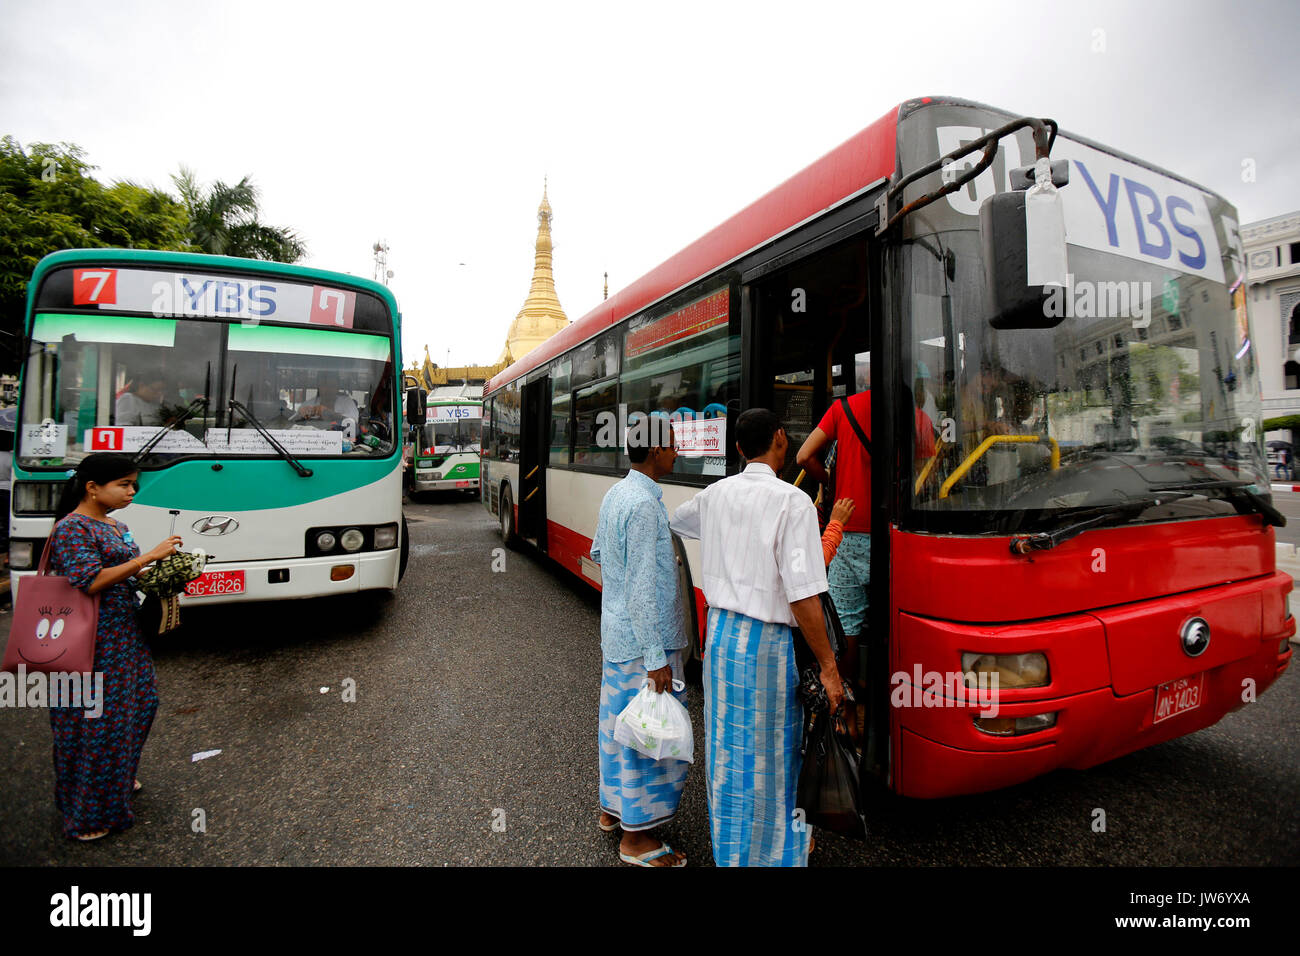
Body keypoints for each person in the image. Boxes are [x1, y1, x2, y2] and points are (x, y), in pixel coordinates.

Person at [670, 408, 843, 867]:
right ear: (781, 440)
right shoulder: (793, 502)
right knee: (773, 754)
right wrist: (829, 667)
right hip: (766, 646)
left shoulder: (715, 495)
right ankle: (774, 854)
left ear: (739, 450)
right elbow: (804, 596)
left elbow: (676, 521)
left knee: (728, 752)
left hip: (722, 641)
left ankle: (732, 852)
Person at [46, 454, 184, 840]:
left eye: (133, 484)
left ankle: (116, 779)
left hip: (124, 634)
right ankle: (89, 814)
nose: (131, 491)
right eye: (124, 484)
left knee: (140, 705)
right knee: (95, 723)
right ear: (92, 487)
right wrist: (147, 557)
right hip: (88, 639)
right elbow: (88, 580)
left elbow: (128, 570)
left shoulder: (115, 524)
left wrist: (167, 570)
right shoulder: (72, 529)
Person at [590, 414, 689, 867]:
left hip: (616, 637)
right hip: (643, 646)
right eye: (670, 444)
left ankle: (613, 811)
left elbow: (598, 552)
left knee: (618, 727)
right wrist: (656, 659)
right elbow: (644, 590)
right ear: (653, 451)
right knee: (648, 737)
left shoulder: (617, 493)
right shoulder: (646, 505)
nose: (676, 451)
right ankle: (639, 839)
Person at [796, 387, 935, 701]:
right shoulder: (917, 417)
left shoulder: (843, 409)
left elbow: (804, 456)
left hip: (848, 528)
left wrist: (833, 480)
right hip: (896, 534)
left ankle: (847, 709)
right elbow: (931, 471)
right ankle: (895, 698)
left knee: (847, 624)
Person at [294, 373, 359, 426]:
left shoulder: (347, 403)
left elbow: (354, 424)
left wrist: (329, 414)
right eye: (324, 385)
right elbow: (293, 423)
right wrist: (300, 414)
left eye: (332, 385)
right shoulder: (308, 404)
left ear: (337, 387)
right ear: (318, 386)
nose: (328, 389)